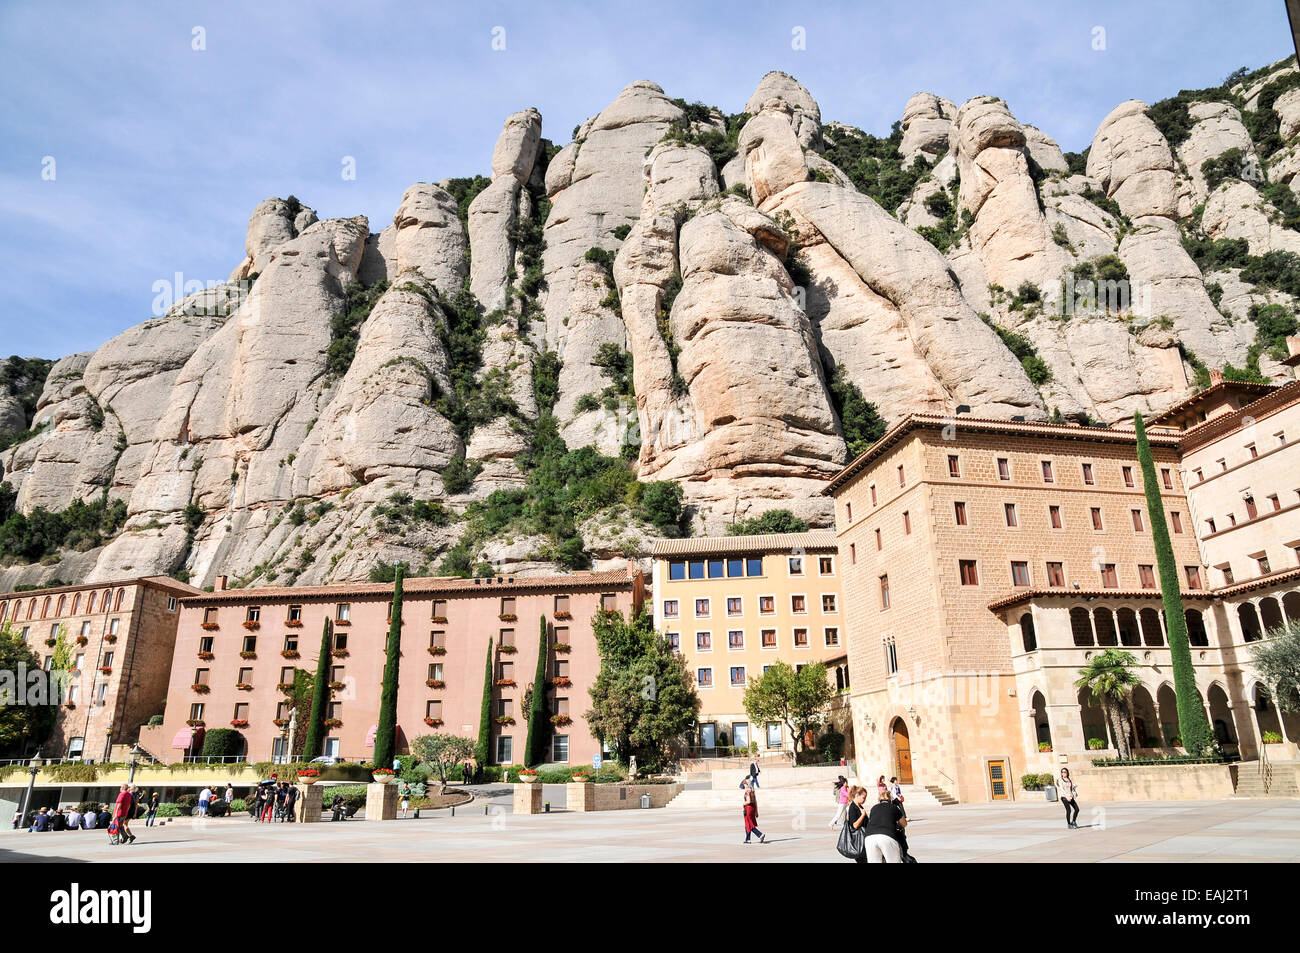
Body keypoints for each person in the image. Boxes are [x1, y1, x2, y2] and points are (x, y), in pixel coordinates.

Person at [862, 789, 907, 863]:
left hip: (869, 837)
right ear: (890, 800)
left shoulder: (874, 808)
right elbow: (904, 824)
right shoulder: (894, 807)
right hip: (887, 836)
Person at [843, 786, 869, 862]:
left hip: (863, 840)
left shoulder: (859, 806)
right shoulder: (852, 808)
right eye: (863, 797)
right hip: (858, 841)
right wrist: (863, 815)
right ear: (857, 795)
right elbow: (854, 825)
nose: (865, 800)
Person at [741, 779, 765, 845]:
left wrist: (743, 803)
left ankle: (760, 834)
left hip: (748, 809)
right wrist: (756, 811)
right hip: (752, 808)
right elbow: (755, 802)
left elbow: (748, 801)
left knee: (749, 825)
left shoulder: (747, 792)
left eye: (745, 783)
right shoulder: (752, 791)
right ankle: (748, 839)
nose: (744, 785)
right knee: (747, 825)